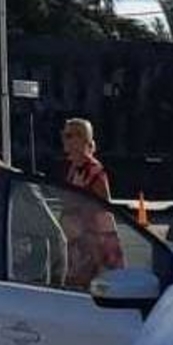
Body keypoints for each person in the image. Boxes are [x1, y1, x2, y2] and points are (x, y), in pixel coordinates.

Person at [60, 118, 123, 288]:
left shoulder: (94, 171)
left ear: (82, 139)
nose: (64, 140)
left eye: (68, 135)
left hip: (93, 248)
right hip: (77, 244)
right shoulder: (74, 168)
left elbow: (105, 210)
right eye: (64, 135)